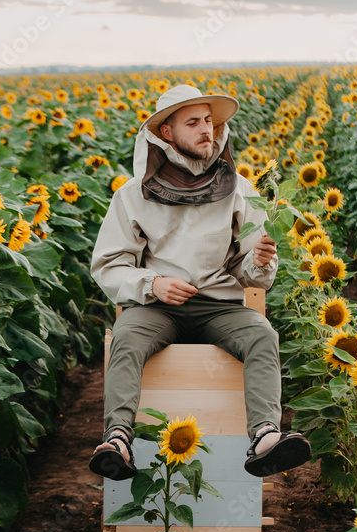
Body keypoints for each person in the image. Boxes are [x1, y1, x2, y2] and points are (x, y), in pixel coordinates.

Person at [88, 83, 311, 481]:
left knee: (262, 334)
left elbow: (249, 270)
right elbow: (108, 265)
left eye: (209, 121)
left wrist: (261, 261)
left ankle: (264, 437)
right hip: (157, 308)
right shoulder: (131, 196)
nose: (206, 129)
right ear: (166, 133)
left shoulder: (238, 189)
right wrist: (153, 283)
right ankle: (118, 440)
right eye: (193, 122)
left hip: (219, 307)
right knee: (125, 337)